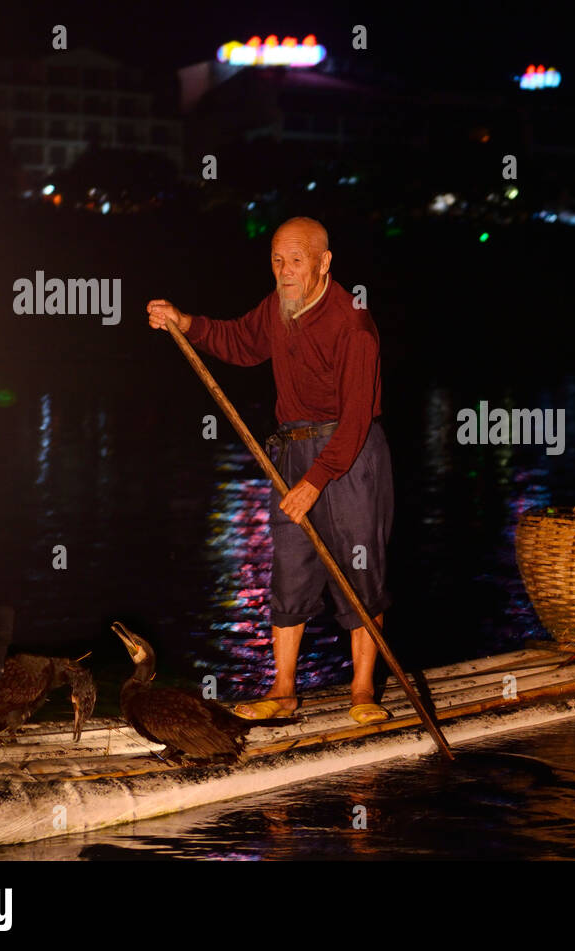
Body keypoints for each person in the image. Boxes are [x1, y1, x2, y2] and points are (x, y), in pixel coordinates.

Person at [146, 217, 394, 725]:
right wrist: (185, 322)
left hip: (350, 459)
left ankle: (364, 691)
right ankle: (283, 690)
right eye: (277, 260)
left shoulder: (352, 323)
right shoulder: (280, 308)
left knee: (359, 571)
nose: (284, 271)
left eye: (296, 261)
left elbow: (354, 420)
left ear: (324, 263)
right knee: (290, 568)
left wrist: (315, 480)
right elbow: (239, 342)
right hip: (293, 453)